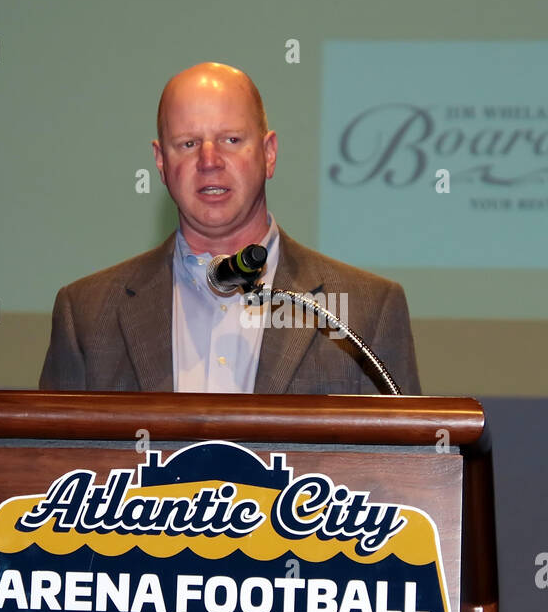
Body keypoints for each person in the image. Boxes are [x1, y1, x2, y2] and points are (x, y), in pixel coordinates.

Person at [39, 61, 421, 395]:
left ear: (269, 154)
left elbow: (402, 469)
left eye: (231, 140)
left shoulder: (365, 310)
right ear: (160, 162)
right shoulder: (86, 314)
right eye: (188, 144)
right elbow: (50, 468)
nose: (209, 161)